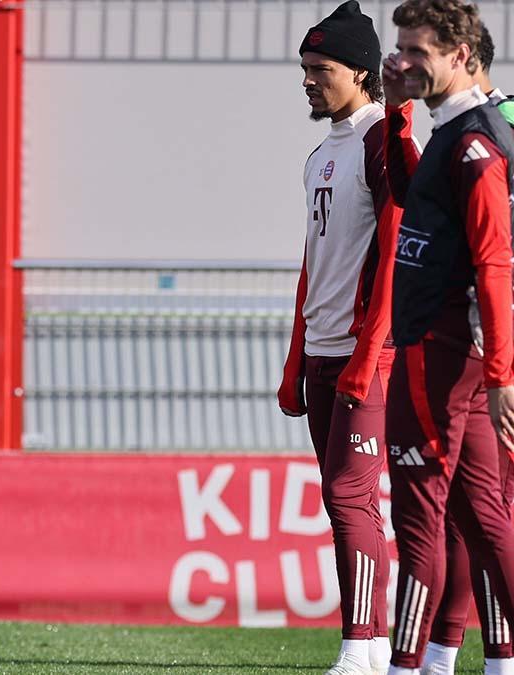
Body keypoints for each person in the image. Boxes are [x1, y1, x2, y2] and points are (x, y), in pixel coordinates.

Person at [381, 2, 514, 673]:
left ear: (461, 53)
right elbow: (408, 195)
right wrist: (396, 107)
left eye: (416, 50)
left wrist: (500, 371)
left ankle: (406, 664)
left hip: (439, 348)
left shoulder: (475, 143)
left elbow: (494, 260)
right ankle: (488, 661)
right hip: (451, 347)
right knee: (484, 517)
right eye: (399, 47)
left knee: (420, 519)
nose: (402, 60)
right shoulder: (459, 129)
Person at [278, 3, 399, 673]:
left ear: (362, 71)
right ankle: (375, 641)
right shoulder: (322, 153)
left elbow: (391, 258)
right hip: (323, 352)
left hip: (365, 355)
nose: (307, 80)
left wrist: (369, 349)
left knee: (354, 496)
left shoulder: (384, 142)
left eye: (320, 69)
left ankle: (363, 646)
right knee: (339, 497)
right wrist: (295, 356)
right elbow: (312, 260)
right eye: (304, 68)